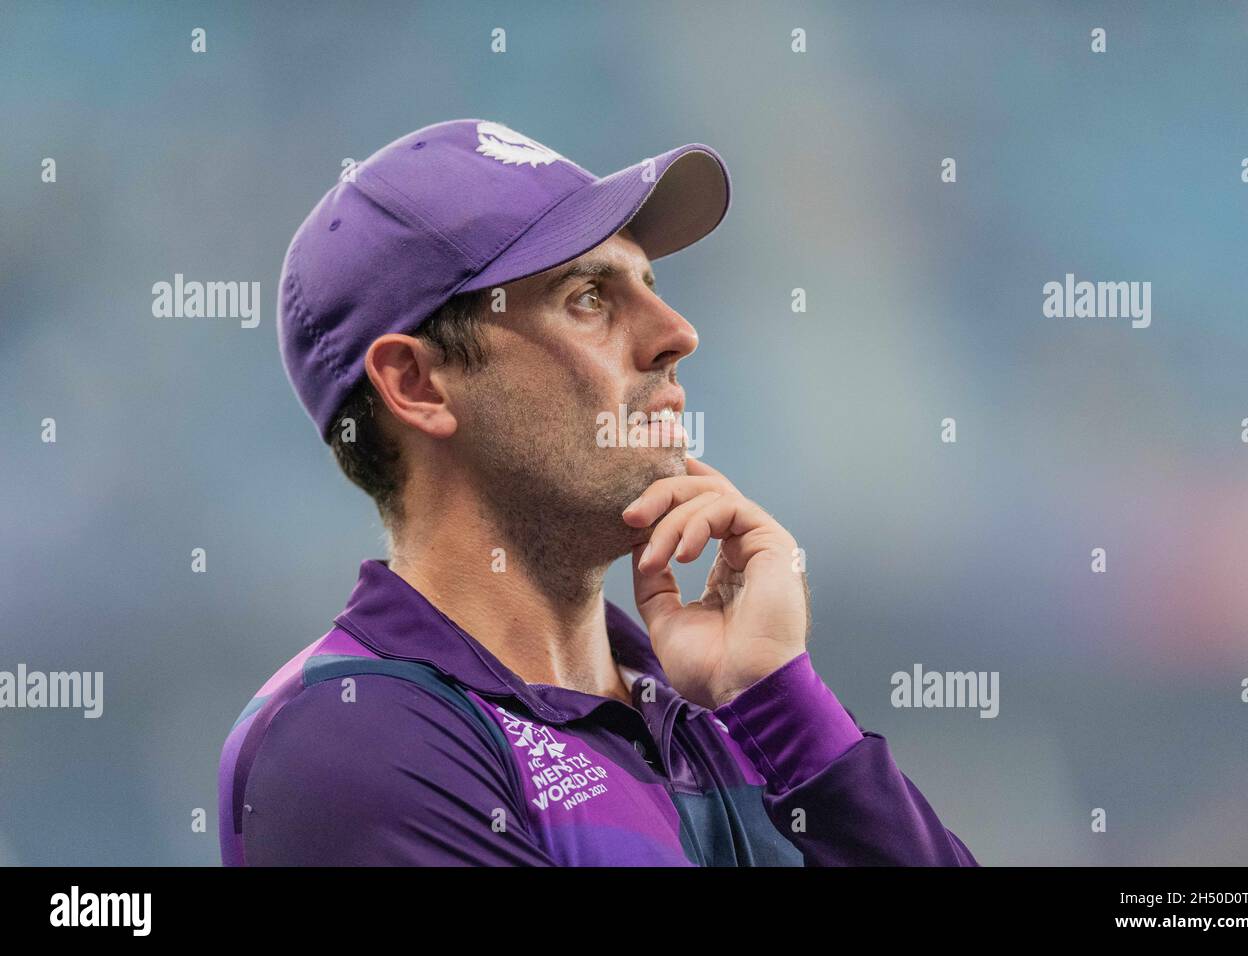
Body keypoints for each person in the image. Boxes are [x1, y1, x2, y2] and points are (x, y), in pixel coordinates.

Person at [217, 119, 977, 866]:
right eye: (587, 297)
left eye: (651, 285)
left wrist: (778, 699)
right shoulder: (353, 739)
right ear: (417, 384)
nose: (678, 333)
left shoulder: (722, 711)